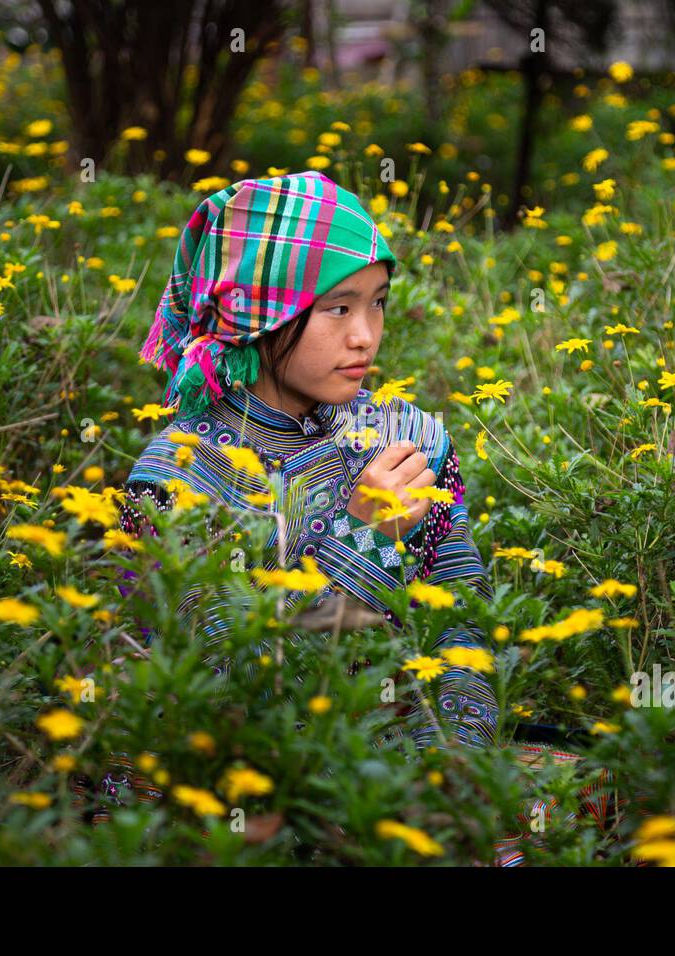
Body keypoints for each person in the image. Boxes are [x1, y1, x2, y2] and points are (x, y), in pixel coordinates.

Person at [73, 171, 500, 833]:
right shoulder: (179, 477)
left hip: (393, 776)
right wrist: (366, 537)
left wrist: (453, 771)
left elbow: (465, 624)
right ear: (256, 311)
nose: (366, 335)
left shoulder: (411, 443)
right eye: (338, 308)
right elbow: (228, 688)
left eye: (378, 302)